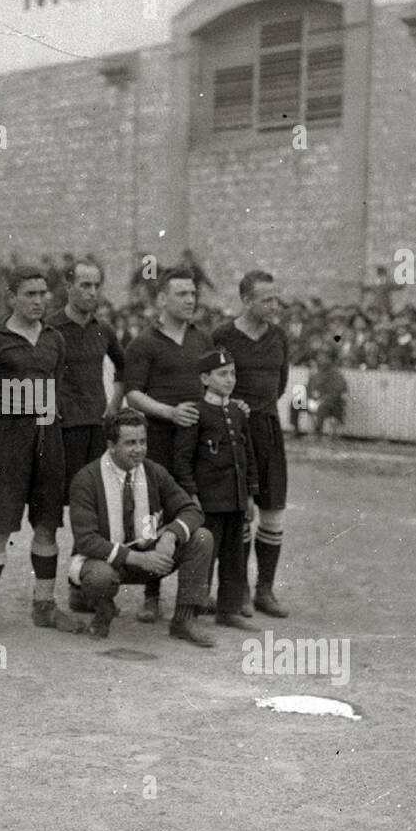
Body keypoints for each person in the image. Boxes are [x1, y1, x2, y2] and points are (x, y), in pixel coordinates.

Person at [0, 265, 75, 640]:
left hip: (48, 440)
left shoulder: (55, 339)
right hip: (6, 445)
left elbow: (56, 388)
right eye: (30, 294)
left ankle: (44, 606)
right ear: (12, 298)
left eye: (44, 294)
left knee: (46, 525)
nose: (39, 301)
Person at [68, 410, 215, 646]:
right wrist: (137, 558)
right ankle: (103, 611)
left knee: (201, 538)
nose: (139, 449)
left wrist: (170, 534)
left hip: (148, 555)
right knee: (98, 576)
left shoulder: (153, 471)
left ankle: (184, 620)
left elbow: (192, 510)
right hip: (106, 561)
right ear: (111, 445)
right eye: (130, 443)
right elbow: (86, 540)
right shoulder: (87, 479)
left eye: (142, 442)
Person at [122, 268, 211, 624]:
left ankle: (195, 596)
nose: (190, 300)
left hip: (194, 442)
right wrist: (169, 412)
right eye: (182, 294)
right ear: (161, 299)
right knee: (153, 514)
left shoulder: (202, 340)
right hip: (158, 439)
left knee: (195, 510)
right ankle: (151, 594)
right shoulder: (144, 343)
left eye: (193, 294)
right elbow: (132, 393)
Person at [46, 258, 125, 612]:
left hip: (95, 430)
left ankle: (81, 587)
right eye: (85, 285)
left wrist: (114, 403)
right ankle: (42, 597)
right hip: (59, 433)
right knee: (49, 514)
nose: (92, 293)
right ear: (68, 285)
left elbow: (125, 367)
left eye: (97, 286)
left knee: (91, 514)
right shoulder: (49, 327)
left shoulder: (103, 330)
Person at [213, 271, 291, 618]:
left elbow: (282, 383)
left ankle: (265, 589)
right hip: (235, 432)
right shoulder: (223, 336)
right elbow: (213, 383)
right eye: (266, 300)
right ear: (246, 300)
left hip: (269, 430)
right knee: (240, 513)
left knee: (273, 511)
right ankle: (239, 590)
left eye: (277, 299)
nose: (274, 305)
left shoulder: (279, 337)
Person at [173, 349, 257, 628]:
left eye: (232, 374)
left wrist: (250, 494)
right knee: (205, 557)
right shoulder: (196, 413)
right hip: (208, 501)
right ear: (205, 378)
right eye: (222, 374)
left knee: (235, 556)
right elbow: (182, 459)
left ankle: (229, 609)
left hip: (235, 499)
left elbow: (248, 455)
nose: (230, 380)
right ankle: (193, 611)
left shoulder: (237, 412)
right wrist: (191, 495)